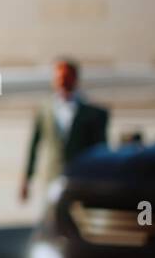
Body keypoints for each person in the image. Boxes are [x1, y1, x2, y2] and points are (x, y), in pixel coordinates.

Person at [20, 57, 109, 205]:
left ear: (75, 79)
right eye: (59, 78)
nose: (62, 82)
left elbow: (101, 149)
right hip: (52, 177)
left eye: (66, 78)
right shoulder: (44, 110)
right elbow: (34, 146)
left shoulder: (92, 113)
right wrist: (26, 179)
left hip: (81, 178)